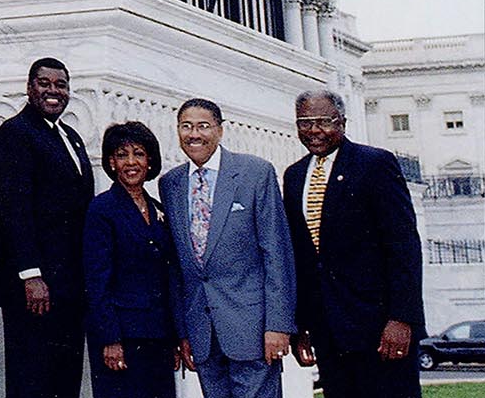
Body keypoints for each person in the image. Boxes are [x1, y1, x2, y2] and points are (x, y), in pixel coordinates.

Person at [283, 90, 424, 398]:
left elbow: (404, 246)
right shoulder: (294, 177)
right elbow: (303, 259)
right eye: (305, 122)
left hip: (380, 328)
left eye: (324, 121)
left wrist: (401, 318)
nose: (314, 130)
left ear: (342, 123)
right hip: (329, 331)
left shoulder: (374, 164)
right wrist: (302, 324)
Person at [161, 97, 296, 398]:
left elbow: (277, 254)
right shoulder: (170, 184)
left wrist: (278, 325)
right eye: (186, 126)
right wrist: (183, 332)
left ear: (220, 131)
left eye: (203, 126)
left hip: (254, 331)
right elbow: (177, 267)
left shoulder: (254, 173)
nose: (194, 134)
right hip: (203, 334)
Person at [0, 56, 94, 398]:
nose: (54, 91)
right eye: (45, 84)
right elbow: (14, 210)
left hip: (69, 283)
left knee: (65, 376)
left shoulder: (70, 136)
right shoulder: (16, 133)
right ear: (29, 88)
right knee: (32, 377)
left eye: (61, 85)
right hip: (35, 286)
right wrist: (31, 275)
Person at [83, 121, 178, 398]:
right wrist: (110, 339)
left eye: (138, 153)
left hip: (157, 335)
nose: (131, 162)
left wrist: (172, 338)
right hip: (122, 337)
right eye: (122, 155)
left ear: (150, 160)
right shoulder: (102, 209)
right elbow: (96, 280)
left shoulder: (158, 208)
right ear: (111, 163)